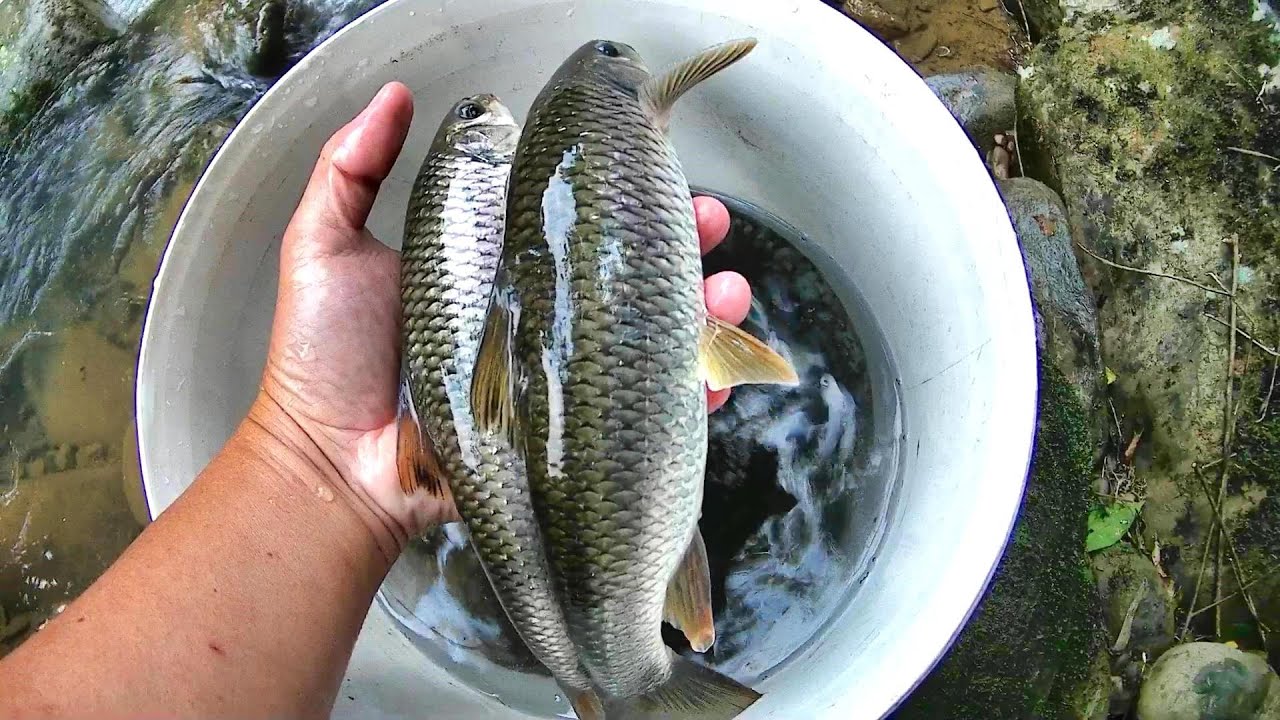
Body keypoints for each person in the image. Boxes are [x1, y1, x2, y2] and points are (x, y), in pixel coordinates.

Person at [0, 82, 753, 717]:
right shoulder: (524, 186)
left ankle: (597, 681)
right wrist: (324, 452)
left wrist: (321, 456)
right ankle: (612, 680)